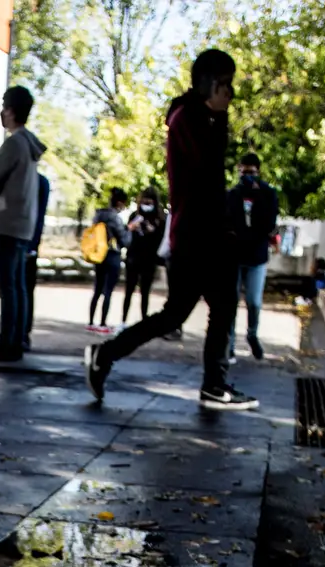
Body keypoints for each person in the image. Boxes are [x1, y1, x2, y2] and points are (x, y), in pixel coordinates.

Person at [85, 49, 256, 411]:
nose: (230, 93)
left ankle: (108, 356)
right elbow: (204, 175)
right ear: (209, 83)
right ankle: (210, 383)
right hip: (197, 235)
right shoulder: (187, 119)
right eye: (225, 84)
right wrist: (220, 119)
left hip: (202, 234)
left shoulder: (200, 117)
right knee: (197, 310)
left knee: (194, 311)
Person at [0, 85, 44, 363]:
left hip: (8, 223)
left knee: (8, 285)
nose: (1, 112)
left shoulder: (14, 143)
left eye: (4, 106)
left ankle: (7, 342)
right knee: (18, 285)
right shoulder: (30, 145)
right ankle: (17, 339)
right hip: (24, 224)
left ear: (11, 110)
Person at [228, 152, 280, 362]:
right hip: (235, 255)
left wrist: (258, 196)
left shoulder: (268, 194)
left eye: (251, 171)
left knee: (254, 302)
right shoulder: (232, 194)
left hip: (257, 256)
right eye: (244, 170)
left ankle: (252, 334)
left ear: (258, 172)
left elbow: (269, 223)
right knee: (231, 302)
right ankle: (229, 344)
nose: (247, 175)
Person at [87, 188, 131, 331]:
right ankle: (103, 323)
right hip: (112, 255)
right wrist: (129, 229)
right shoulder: (115, 218)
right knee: (108, 291)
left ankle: (91, 322)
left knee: (97, 289)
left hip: (98, 255)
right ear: (120, 203)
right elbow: (124, 240)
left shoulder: (98, 215)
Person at [123, 187, 164, 324]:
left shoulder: (159, 218)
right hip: (133, 258)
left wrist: (153, 231)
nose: (146, 205)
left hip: (149, 260)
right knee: (128, 291)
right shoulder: (135, 215)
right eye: (144, 202)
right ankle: (123, 321)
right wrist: (132, 227)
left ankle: (143, 321)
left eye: (149, 202)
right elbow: (126, 233)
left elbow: (161, 239)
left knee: (145, 293)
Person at [22, 170, 50, 350]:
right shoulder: (41, 181)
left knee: (20, 289)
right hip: (28, 242)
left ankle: (21, 333)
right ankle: (23, 333)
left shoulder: (34, 181)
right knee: (25, 290)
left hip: (23, 240)